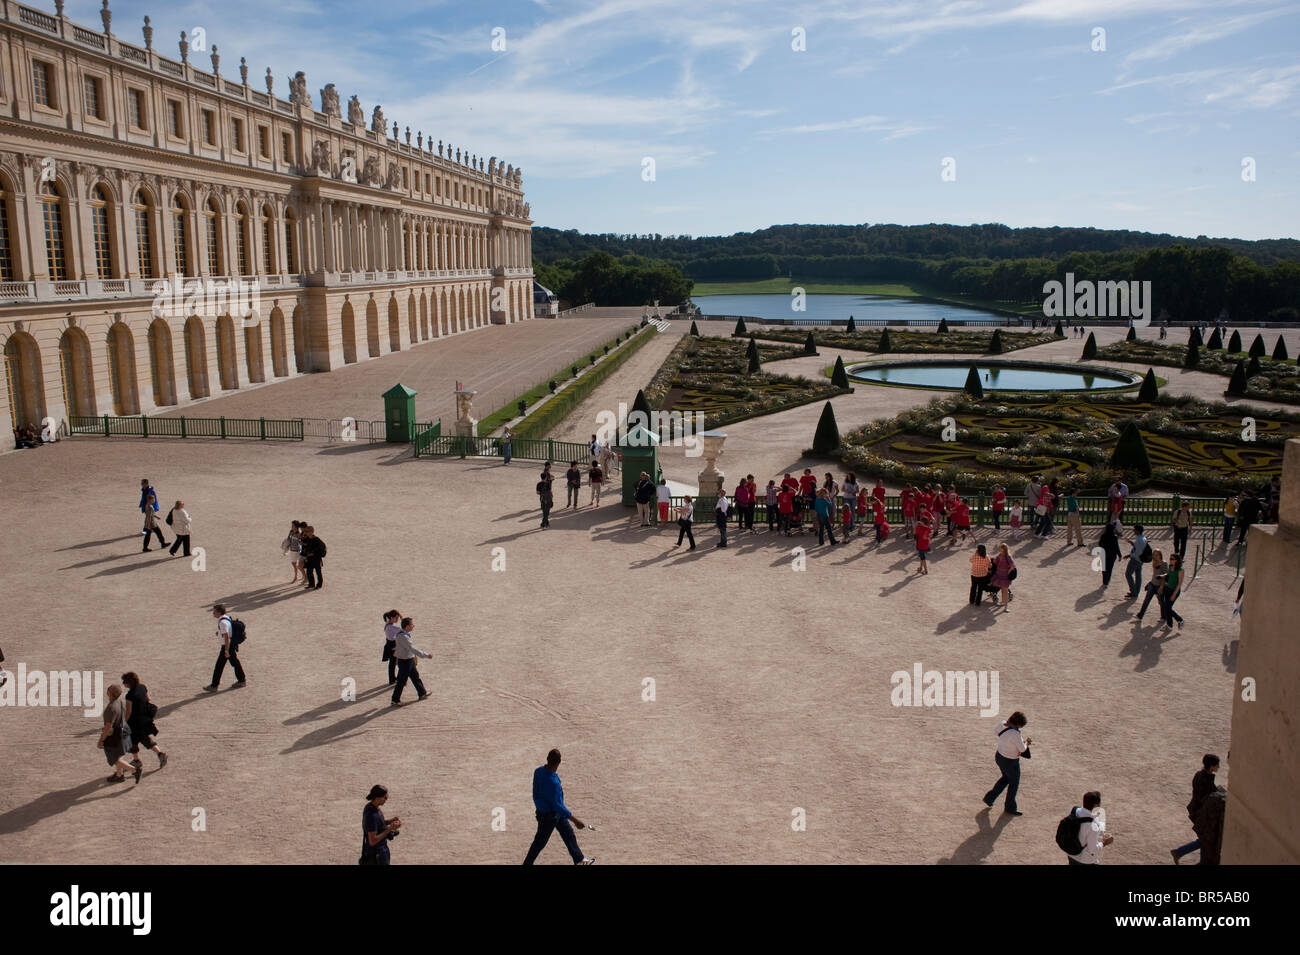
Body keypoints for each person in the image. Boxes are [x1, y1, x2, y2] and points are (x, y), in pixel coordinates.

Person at [523, 749, 595, 865]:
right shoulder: (553, 782)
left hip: (545, 812)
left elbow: (537, 793)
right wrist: (576, 821)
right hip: (550, 816)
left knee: (568, 833)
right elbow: (558, 806)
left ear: (547, 759)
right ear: (558, 762)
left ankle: (579, 859)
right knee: (539, 843)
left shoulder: (538, 772)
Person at [1171, 754, 1220, 864]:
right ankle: (1180, 852)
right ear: (1211, 767)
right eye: (1217, 765)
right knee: (1205, 839)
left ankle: (1184, 854)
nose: (1218, 767)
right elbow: (1205, 797)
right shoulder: (1206, 779)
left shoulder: (1199, 774)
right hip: (1202, 814)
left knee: (1204, 838)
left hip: (1197, 811)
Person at [983, 711, 1031, 816]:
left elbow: (996, 731)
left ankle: (989, 797)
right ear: (1018, 724)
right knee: (1014, 784)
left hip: (1000, 757)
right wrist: (1027, 743)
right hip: (1011, 762)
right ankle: (1010, 807)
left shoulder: (1002, 723)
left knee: (1006, 778)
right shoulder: (1015, 734)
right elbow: (1022, 749)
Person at [121, 671, 166, 773]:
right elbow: (148, 699)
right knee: (145, 738)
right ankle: (160, 754)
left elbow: (128, 712)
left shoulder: (130, 695)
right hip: (144, 719)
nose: (123, 683)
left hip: (134, 722)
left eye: (125, 682)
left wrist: (123, 723)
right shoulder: (142, 687)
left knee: (132, 741)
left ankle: (137, 760)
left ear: (129, 683)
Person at [98, 683, 138, 784]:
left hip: (115, 736)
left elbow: (108, 727)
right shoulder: (121, 702)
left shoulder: (110, 708)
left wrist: (101, 740)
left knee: (113, 758)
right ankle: (119, 775)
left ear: (109, 693)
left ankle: (134, 770)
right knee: (119, 754)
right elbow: (127, 713)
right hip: (124, 731)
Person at [203, 604, 246, 691]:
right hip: (230, 645)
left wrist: (226, 650)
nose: (213, 613)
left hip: (227, 646)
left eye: (214, 612)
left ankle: (214, 685)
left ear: (219, 612)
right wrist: (219, 633)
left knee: (219, 665)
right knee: (234, 662)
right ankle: (242, 680)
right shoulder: (226, 617)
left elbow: (226, 636)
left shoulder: (222, 622)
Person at [390, 617, 431, 706]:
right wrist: (426, 655)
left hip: (409, 660)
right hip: (405, 662)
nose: (413, 626)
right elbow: (412, 648)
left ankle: (422, 693)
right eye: (412, 624)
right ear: (407, 626)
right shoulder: (403, 637)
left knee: (415, 677)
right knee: (401, 681)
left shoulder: (404, 633)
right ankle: (395, 700)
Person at [1065, 791, 1113, 865]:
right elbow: (1092, 850)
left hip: (1071, 854)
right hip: (1085, 860)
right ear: (1095, 805)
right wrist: (1104, 843)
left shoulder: (1075, 811)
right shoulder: (1093, 826)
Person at [360, 785, 400, 865]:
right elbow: (372, 841)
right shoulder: (371, 815)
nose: (386, 799)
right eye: (385, 797)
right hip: (377, 854)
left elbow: (379, 823)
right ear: (377, 798)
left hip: (380, 851)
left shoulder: (371, 806)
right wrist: (389, 829)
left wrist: (391, 821)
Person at [1136, 549, 1168, 622]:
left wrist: (1161, 587)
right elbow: (1154, 575)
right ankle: (1140, 615)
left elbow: (1165, 576)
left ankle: (1163, 617)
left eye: (1157, 555)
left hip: (1159, 586)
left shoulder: (1164, 563)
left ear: (1160, 555)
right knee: (1146, 600)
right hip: (1152, 584)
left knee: (1161, 602)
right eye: (1154, 555)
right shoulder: (1154, 563)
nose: (1155, 556)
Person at [139, 480, 168, 552]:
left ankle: (162, 543)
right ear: (150, 500)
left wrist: (156, 516)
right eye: (153, 499)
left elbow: (150, 515)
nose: (154, 500)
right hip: (151, 523)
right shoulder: (150, 507)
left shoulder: (148, 505)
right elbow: (149, 516)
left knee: (154, 534)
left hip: (151, 523)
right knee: (152, 534)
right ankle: (161, 544)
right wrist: (148, 525)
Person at [1162, 554, 1185, 630]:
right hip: (1168, 588)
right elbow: (1168, 576)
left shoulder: (1181, 570)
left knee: (1168, 607)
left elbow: (1179, 583)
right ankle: (1170, 625)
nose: (1170, 560)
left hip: (1174, 591)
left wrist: (1174, 594)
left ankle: (1179, 620)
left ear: (1177, 560)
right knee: (1166, 607)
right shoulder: (1170, 566)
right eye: (1170, 558)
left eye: (1172, 559)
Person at [1125, 524, 1148, 599]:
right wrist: (1131, 543)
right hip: (1141, 560)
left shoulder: (1139, 540)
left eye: (1134, 529)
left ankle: (1133, 591)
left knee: (1128, 574)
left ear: (1137, 531)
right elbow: (1138, 548)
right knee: (1138, 576)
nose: (1133, 530)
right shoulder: (1143, 538)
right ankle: (1136, 591)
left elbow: (1137, 552)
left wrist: (1129, 555)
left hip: (1135, 560)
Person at [990, 542, 1015, 608]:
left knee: (1005, 591)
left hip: (1004, 576)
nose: (1000, 550)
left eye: (1001, 549)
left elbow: (1012, 566)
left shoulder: (1008, 557)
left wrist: (1008, 572)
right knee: (1002, 590)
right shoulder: (1000, 555)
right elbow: (995, 562)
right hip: (999, 575)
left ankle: (1006, 606)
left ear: (1004, 549)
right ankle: (1003, 602)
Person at [300, 525, 326, 589]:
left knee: (318, 572)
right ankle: (311, 584)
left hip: (316, 558)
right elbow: (306, 546)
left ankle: (319, 585)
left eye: (308, 531)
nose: (306, 533)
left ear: (312, 531)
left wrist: (313, 553)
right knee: (309, 572)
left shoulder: (316, 539)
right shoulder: (308, 539)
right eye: (306, 531)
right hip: (309, 558)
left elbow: (321, 548)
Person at [1098, 521, 1121, 588]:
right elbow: (1116, 547)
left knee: (1104, 568)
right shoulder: (1114, 537)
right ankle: (1106, 582)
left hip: (1104, 553)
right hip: (1112, 554)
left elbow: (1100, 544)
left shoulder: (1103, 536)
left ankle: (1104, 581)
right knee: (1109, 569)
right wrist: (1119, 555)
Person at [382, 609, 401, 684]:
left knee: (392, 664)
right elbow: (402, 630)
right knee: (397, 663)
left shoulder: (389, 624)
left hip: (390, 645)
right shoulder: (391, 627)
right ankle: (395, 679)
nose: (397, 619)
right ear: (391, 617)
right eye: (396, 618)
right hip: (393, 647)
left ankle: (392, 679)